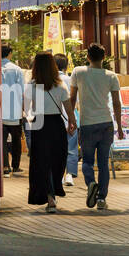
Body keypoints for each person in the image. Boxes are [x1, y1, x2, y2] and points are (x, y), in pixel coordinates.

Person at [70, 44, 124, 211]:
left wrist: (71, 121)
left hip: (87, 124)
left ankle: (91, 183)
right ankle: (101, 199)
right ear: (104, 57)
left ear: (88, 57)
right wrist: (120, 126)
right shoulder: (111, 76)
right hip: (106, 124)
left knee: (86, 160)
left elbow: (72, 98)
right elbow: (116, 103)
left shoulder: (78, 72)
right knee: (103, 163)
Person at [25, 51, 76, 213]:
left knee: (42, 162)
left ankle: (49, 196)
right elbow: (68, 109)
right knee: (57, 160)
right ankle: (53, 193)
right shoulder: (60, 85)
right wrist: (72, 123)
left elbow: (25, 108)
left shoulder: (32, 85)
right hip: (56, 124)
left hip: (40, 124)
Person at [0, 44, 25, 178]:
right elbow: (22, 91)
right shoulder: (17, 69)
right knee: (16, 140)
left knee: (2, 140)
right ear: (9, 53)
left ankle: (5, 167)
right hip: (14, 110)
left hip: (0, 110)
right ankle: (15, 166)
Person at [54, 52, 78, 188]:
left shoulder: (49, 80)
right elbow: (75, 100)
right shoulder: (70, 80)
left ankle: (60, 176)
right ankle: (70, 175)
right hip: (70, 117)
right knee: (72, 148)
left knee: (57, 149)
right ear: (66, 66)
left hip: (55, 119)